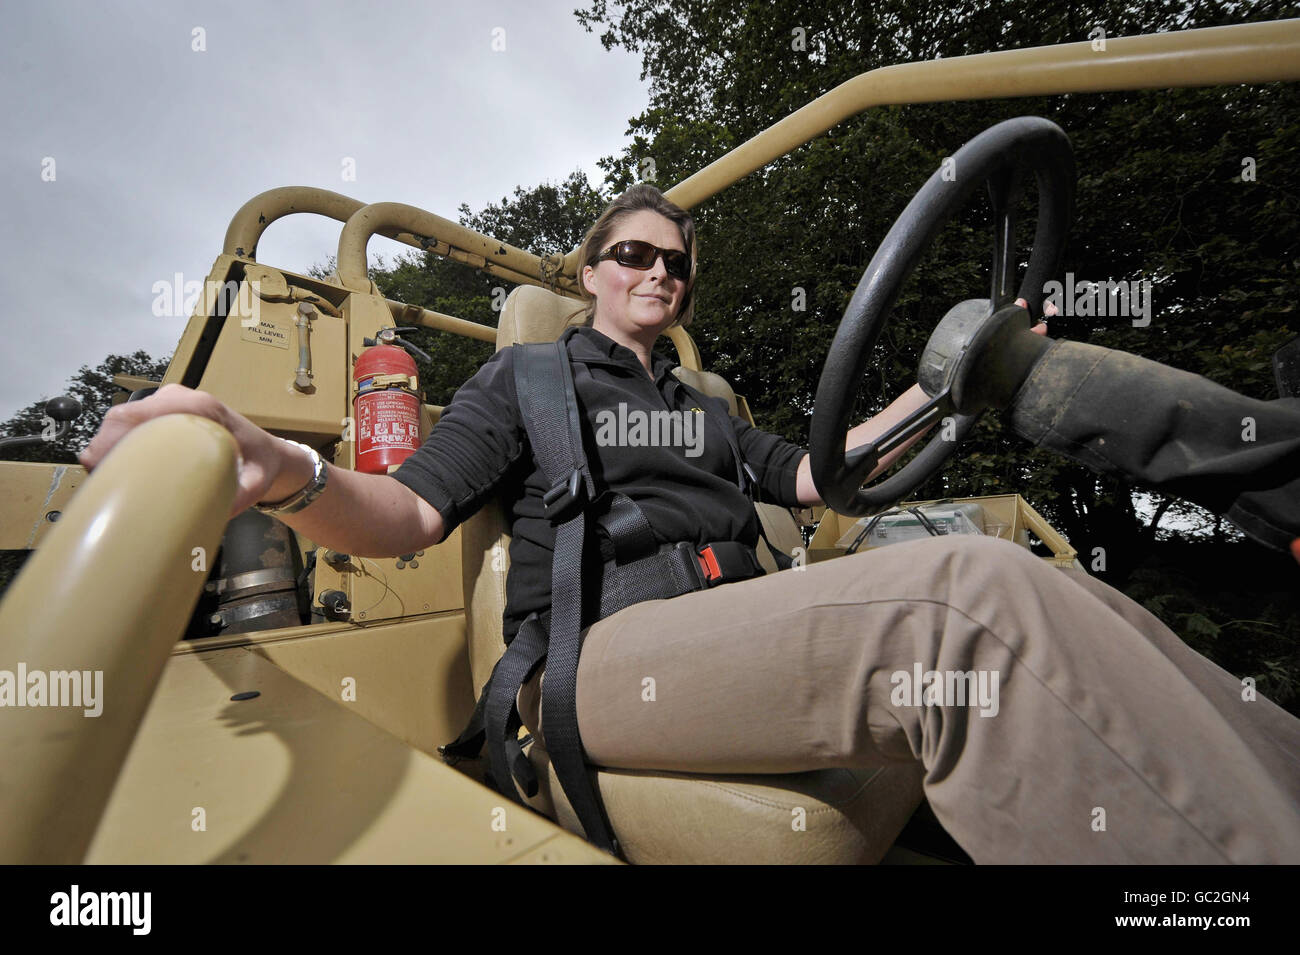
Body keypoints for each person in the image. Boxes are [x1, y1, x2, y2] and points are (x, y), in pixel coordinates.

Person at [79, 185, 1300, 864]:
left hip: (730, 629)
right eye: (632, 254)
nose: (657, 274)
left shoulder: (704, 408)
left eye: (676, 263)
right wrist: (285, 467)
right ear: (591, 269)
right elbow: (401, 513)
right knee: (958, 605)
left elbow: (817, 479)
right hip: (600, 660)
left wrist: (948, 380)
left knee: (1067, 589)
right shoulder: (528, 384)